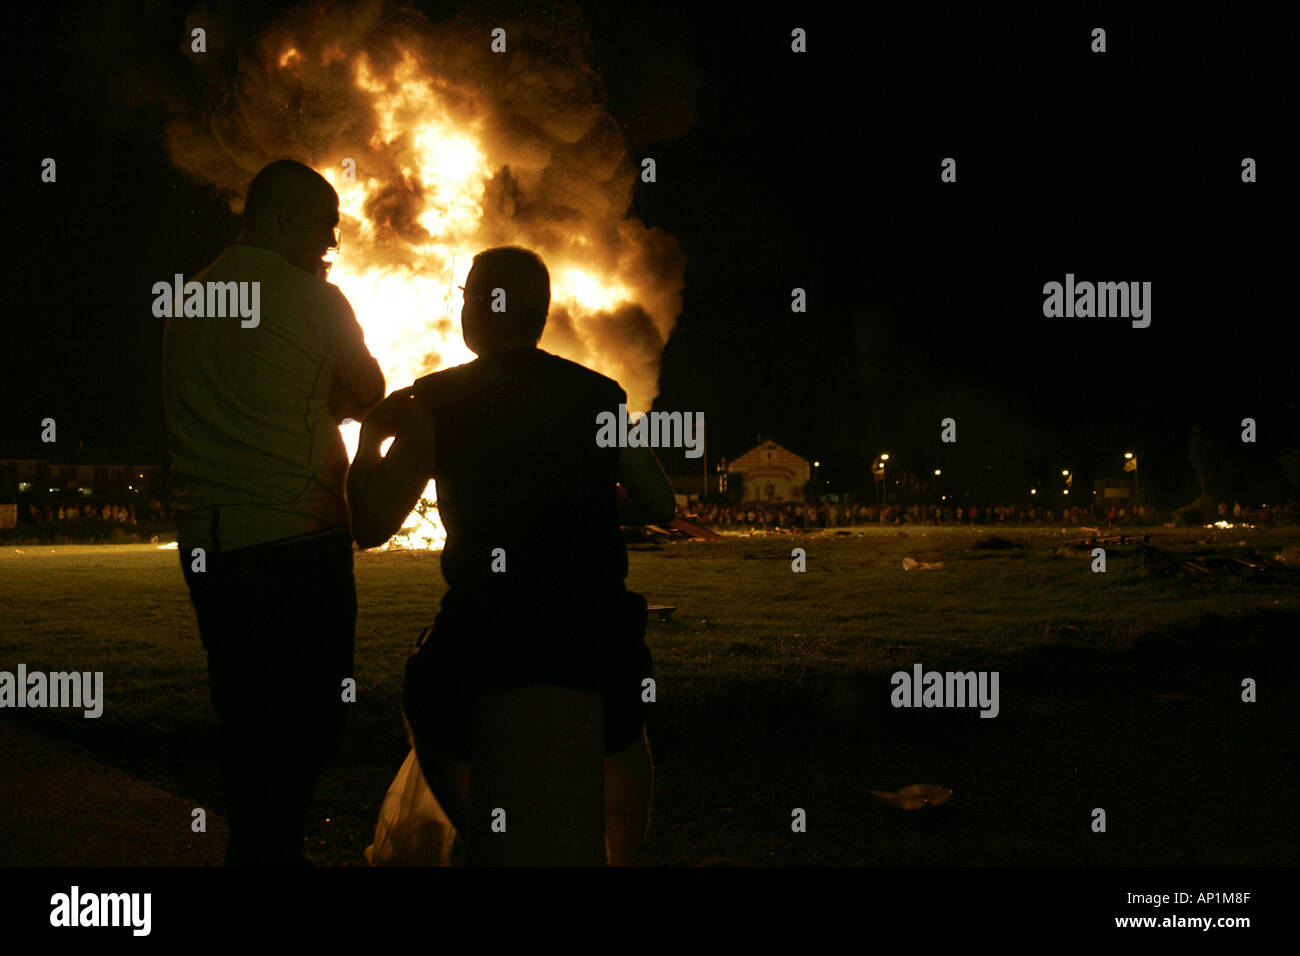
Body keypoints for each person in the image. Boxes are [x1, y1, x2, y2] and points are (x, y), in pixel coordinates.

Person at [348, 246, 674, 866]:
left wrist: (369, 441)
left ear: (475, 308)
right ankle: (624, 858)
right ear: (542, 314)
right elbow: (658, 501)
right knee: (624, 729)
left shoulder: (435, 402)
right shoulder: (598, 396)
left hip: (489, 626)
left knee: (427, 698)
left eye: (466, 294)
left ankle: (483, 835)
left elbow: (370, 525)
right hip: (595, 624)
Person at [163, 159, 385, 866]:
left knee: (245, 712)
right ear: (285, 218)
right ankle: (270, 853)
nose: (333, 245)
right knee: (310, 720)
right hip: (297, 539)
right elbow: (369, 392)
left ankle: (257, 848)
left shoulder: (189, 298)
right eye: (327, 226)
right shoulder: (316, 298)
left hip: (209, 544)